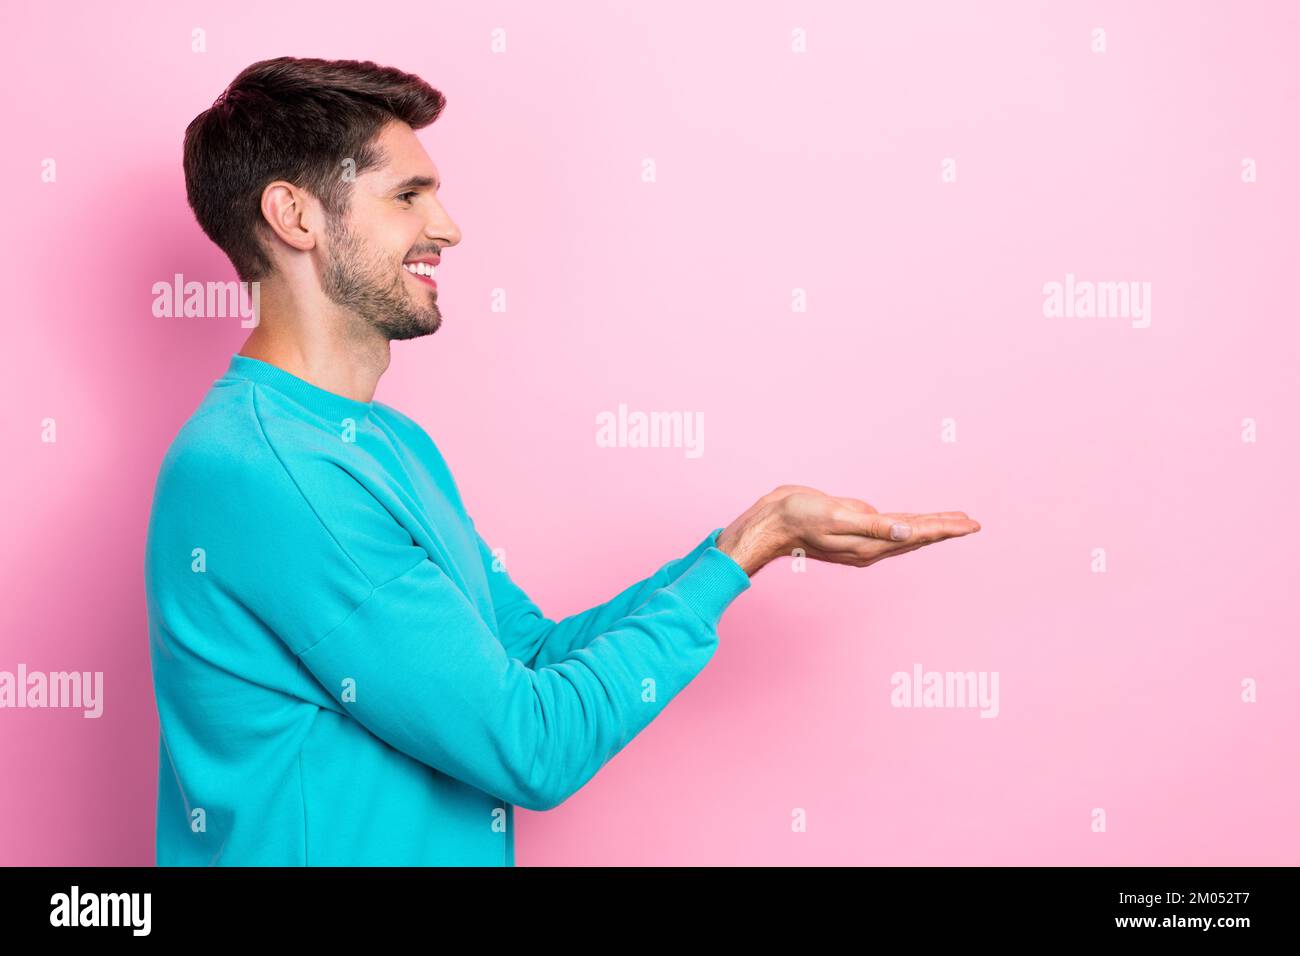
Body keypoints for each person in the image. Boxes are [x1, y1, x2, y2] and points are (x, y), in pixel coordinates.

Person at [144, 56, 981, 866]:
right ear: (296, 217)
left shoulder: (389, 443)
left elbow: (529, 660)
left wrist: (746, 543)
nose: (447, 227)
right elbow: (530, 745)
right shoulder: (266, 474)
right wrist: (745, 556)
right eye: (407, 195)